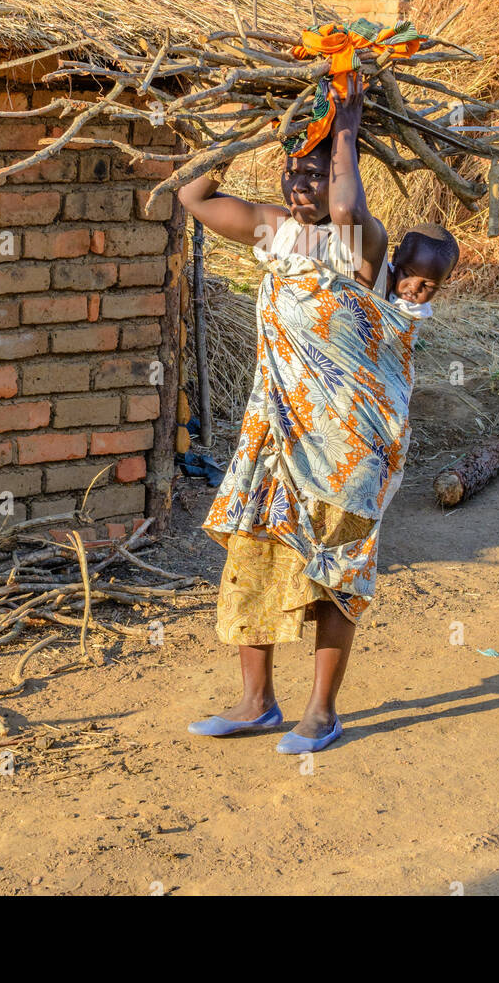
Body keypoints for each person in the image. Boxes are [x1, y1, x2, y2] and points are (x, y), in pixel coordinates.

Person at [179, 74, 421, 753]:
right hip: (276, 435)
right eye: (293, 174)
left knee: (333, 571)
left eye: (314, 176)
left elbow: (345, 211)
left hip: (348, 443)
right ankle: (257, 704)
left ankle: (322, 712)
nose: (301, 187)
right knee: (255, 555)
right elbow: (192, 196)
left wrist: (343, 128)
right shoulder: (275, 233)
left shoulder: (363, 245)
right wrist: (239, 131)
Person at [387, 222, 460, 313]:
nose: (414, 288)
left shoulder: (417, 312)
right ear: (395, 257)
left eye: (428, 285)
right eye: (407, 274)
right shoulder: (379, 273)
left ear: (444, 280)